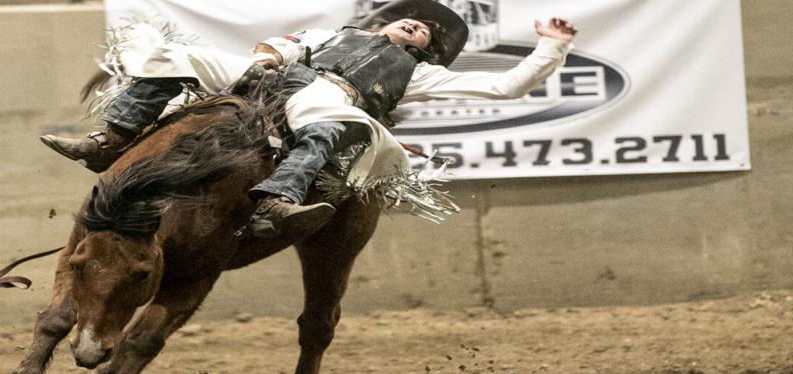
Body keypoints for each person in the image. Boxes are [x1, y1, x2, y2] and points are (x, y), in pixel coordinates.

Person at [42, 0, 578, 239]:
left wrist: (551, 46)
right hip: (267, 79)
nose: (417, 25)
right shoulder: (332, 35)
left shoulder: (418, 74)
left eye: (426, 34)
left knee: (333, 124)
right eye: (413, 19)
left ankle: (278, 201)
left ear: (428, 52)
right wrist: (269, 57)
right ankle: (109, 139)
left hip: (324, 98)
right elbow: (284, 45)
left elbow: (506, 84)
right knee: (175, 57)